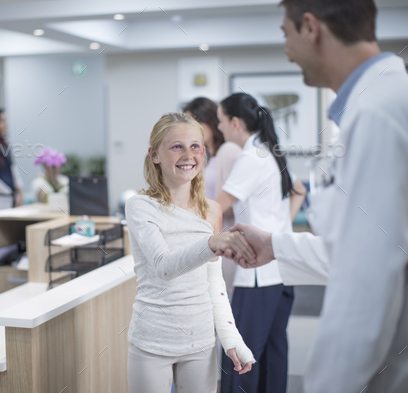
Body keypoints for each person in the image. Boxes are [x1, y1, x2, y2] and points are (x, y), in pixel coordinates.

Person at [224, 1, 408, 392]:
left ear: (311, 28)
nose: (287, 50)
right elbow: (358, 251)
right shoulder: (389, 104)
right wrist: (275, 245)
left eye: (285, 34)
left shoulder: (380, 115)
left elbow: (365, 289)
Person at [125, 113, 256, 393]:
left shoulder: (211, 210)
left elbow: (213, 283)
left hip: (200, 340)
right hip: (152, 340)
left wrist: (232, 339)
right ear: (155, 154)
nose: (188, 155)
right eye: (177, 146)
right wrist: (211, 243)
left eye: (195, 146)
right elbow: (164, 267)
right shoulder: (140, 206)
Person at [213, 93, 306, 393]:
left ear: (236, 123)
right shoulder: (268, 151)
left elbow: (218, 206)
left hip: (258, 275)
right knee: (273, 352)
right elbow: (297, 191)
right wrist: (280, 230)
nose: (219, 127)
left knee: (242, 356)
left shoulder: (251, 158)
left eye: (221, 121)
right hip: (280, 270)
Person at [183, 97, 243, 296]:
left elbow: (234, 202)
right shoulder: (209, 157)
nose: (191, 129)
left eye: (196, 122)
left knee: (225, 302)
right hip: (209, 235)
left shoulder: (229, 152)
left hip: (224, 234)